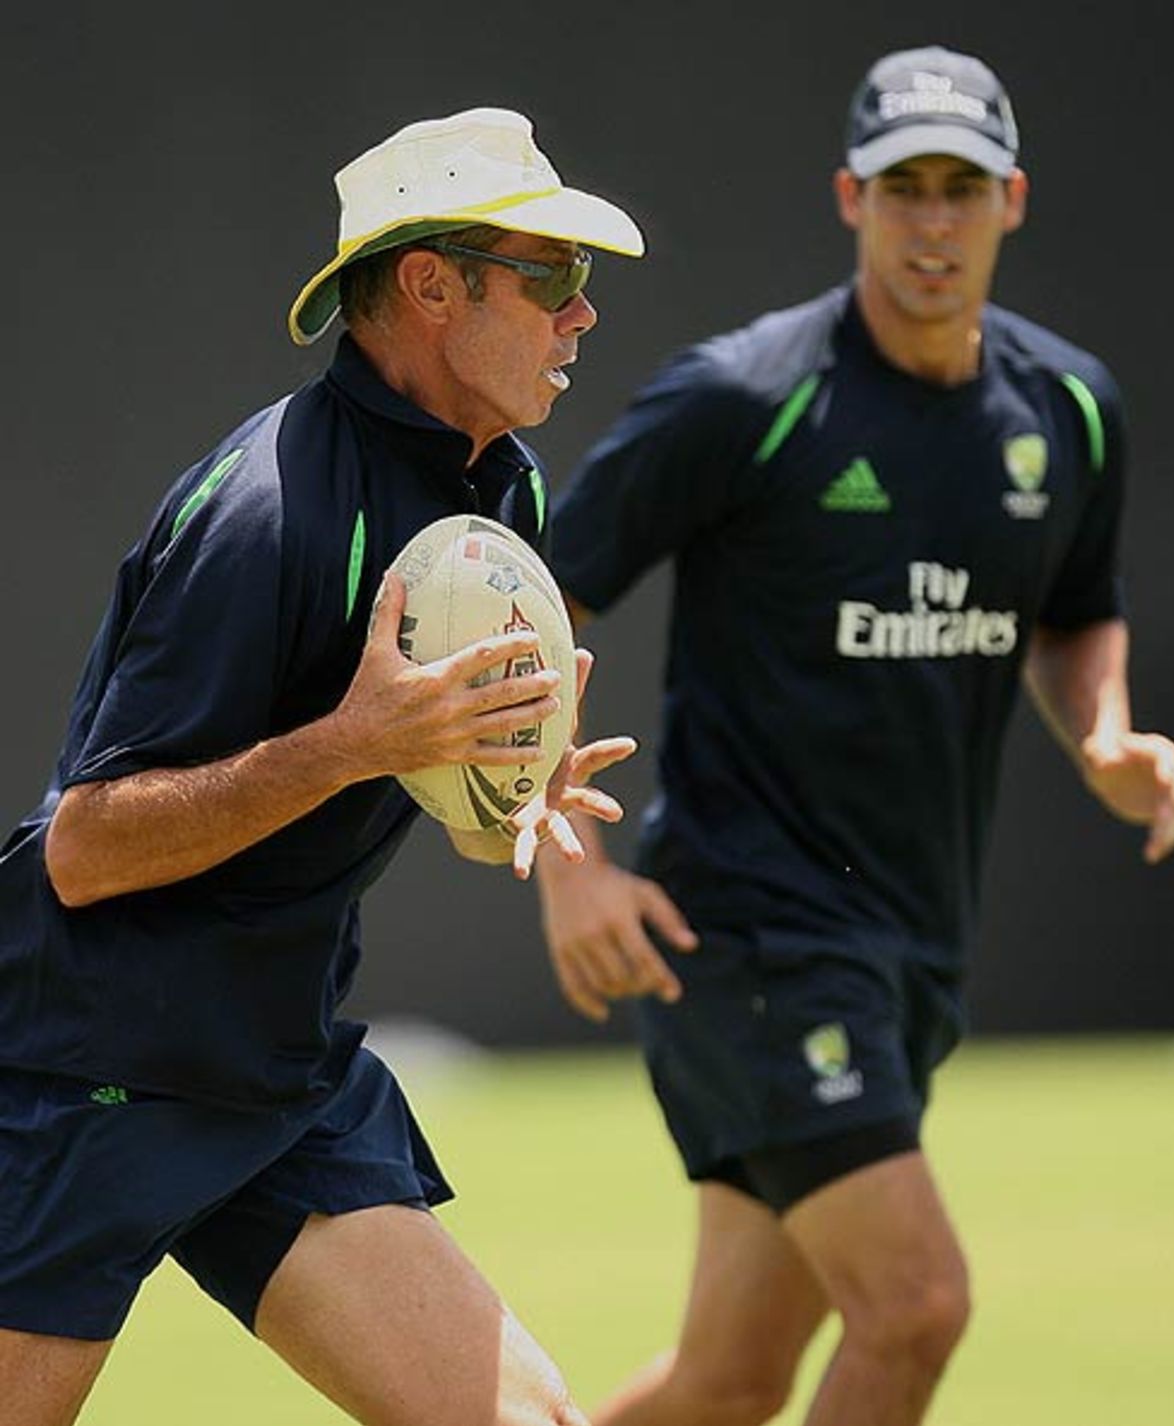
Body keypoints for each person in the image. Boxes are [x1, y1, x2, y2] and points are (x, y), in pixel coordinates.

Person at [534, 46, 1174, 1426]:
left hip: (909, 950)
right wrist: (567, 863)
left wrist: (1107, 734)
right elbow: (529, 603)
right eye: (905, 190)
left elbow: (1077, 611)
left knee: (732, 1378)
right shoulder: (742, 397)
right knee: (918, 1304)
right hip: (747, 939)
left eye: (962, 189)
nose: (933, 222)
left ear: (1013, 200)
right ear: (852, 198)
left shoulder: (1068, 411)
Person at [0, 106, 644, 1426]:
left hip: (277, 1069)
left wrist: (511, 789)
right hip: (91, 1065)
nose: (582, 317)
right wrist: (357, 741)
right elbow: (85, 847)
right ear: (429, 285)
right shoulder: (262, 515)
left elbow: (429, 793)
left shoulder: (500, 492)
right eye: (555, 277)